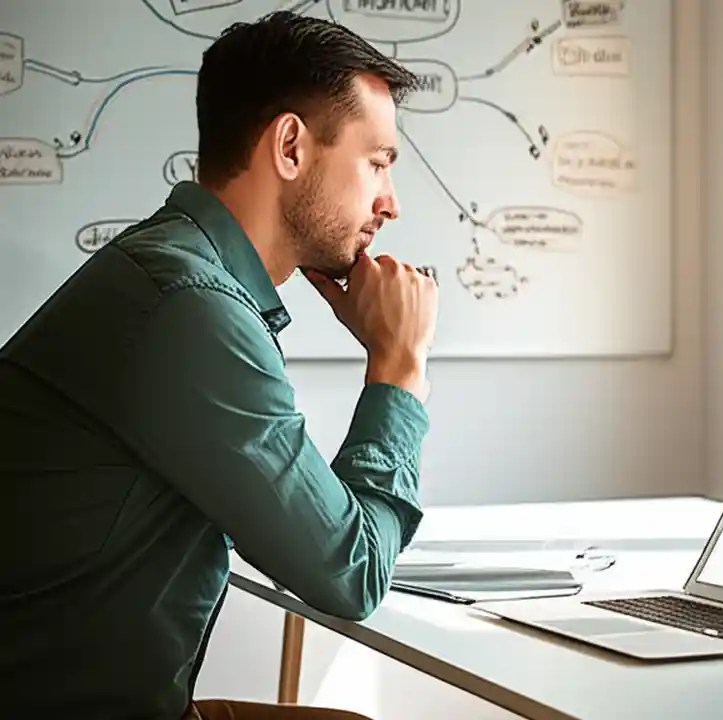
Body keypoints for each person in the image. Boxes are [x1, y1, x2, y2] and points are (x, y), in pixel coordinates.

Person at [0, 11, 438, 719]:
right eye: (378, 162)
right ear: (291, 146)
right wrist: (399, 363)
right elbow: (351, 574)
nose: (391, 202)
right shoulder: (188, 308)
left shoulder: (175, 276)